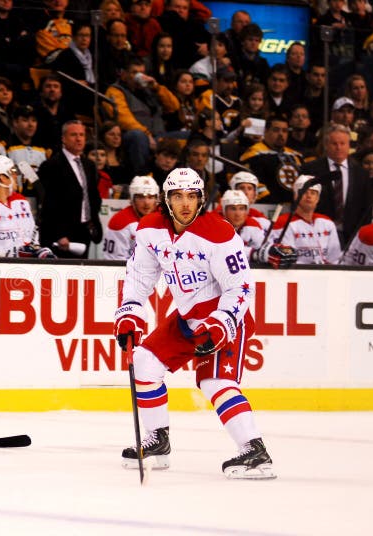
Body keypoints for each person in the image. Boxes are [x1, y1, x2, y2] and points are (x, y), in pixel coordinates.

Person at [113, 167, 275, 479]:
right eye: (177, 196)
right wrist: (131, 312)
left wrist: (220, 324)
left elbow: (240, 287)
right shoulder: (149, 229)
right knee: (145, 360)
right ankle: (158, 441)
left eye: (191, 196)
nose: (185, 203)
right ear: (166, 199)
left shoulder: (218, 232)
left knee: (215, 382)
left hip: (225, 319)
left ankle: (254, 450)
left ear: (200, 199)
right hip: (189, 318)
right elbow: (139, 276)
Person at [38, 120, 103, 258]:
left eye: (82, 135)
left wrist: (93, 224)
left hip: (83, 232)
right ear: (63, 138)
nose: (79, 139)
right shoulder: (51, 165)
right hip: (62, 235)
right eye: (74, 135)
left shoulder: (89, 165)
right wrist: (59, 234)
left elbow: (92, 197)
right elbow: (49, 204)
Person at [300, 123, 373, 246]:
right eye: (334, 144)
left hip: (352, 237)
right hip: (318, 234)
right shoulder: (310, 170)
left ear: (349, 145)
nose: (338, 147)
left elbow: (366, 208)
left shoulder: (361, 173)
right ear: (326, 145)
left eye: (343, 144)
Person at [0, 155, 54, 259]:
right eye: (12, 171)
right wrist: (15, 253)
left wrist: (41, 252)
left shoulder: (20, 201)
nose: (16, 175)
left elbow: (31, 243)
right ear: (2, 177)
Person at [269, 174, 342, 264]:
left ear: (318, 198)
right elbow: (288, 259)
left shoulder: (327, 223)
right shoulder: (283, 222)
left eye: (313, 193)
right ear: (296, 195)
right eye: (304, 192)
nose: (309, 196)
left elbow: (334, 258)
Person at [219, 189, 296, 269]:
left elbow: (262, 248)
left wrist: (275, 251)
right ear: (224, 211)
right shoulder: (216, 226)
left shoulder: (252, 225)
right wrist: (254, 254)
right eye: (233, 209)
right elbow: (224, 252)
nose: (238, 214)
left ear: (246, 211)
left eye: (241, 208)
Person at [102, 175, 159, 260]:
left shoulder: (165, 218)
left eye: (150, 197)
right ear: (132, 199)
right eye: (141, 197)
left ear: (156, 199)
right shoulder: (120, 222)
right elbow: (115, 263)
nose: (146, 202)